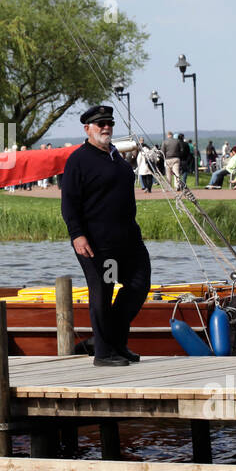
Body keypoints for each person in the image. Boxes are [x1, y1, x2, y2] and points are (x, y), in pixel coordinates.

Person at [60, 104, 151, 368]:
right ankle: (103, 353)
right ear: (87, 128)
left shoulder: (115, 157)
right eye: (100, 124)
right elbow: (69, 202)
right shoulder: (79, 160)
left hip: (127, 241)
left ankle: (116, 342)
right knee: (103, 291)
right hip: (98, 246)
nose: (106, 128)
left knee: (138, 285)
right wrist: (77, 235)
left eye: (109, 123)